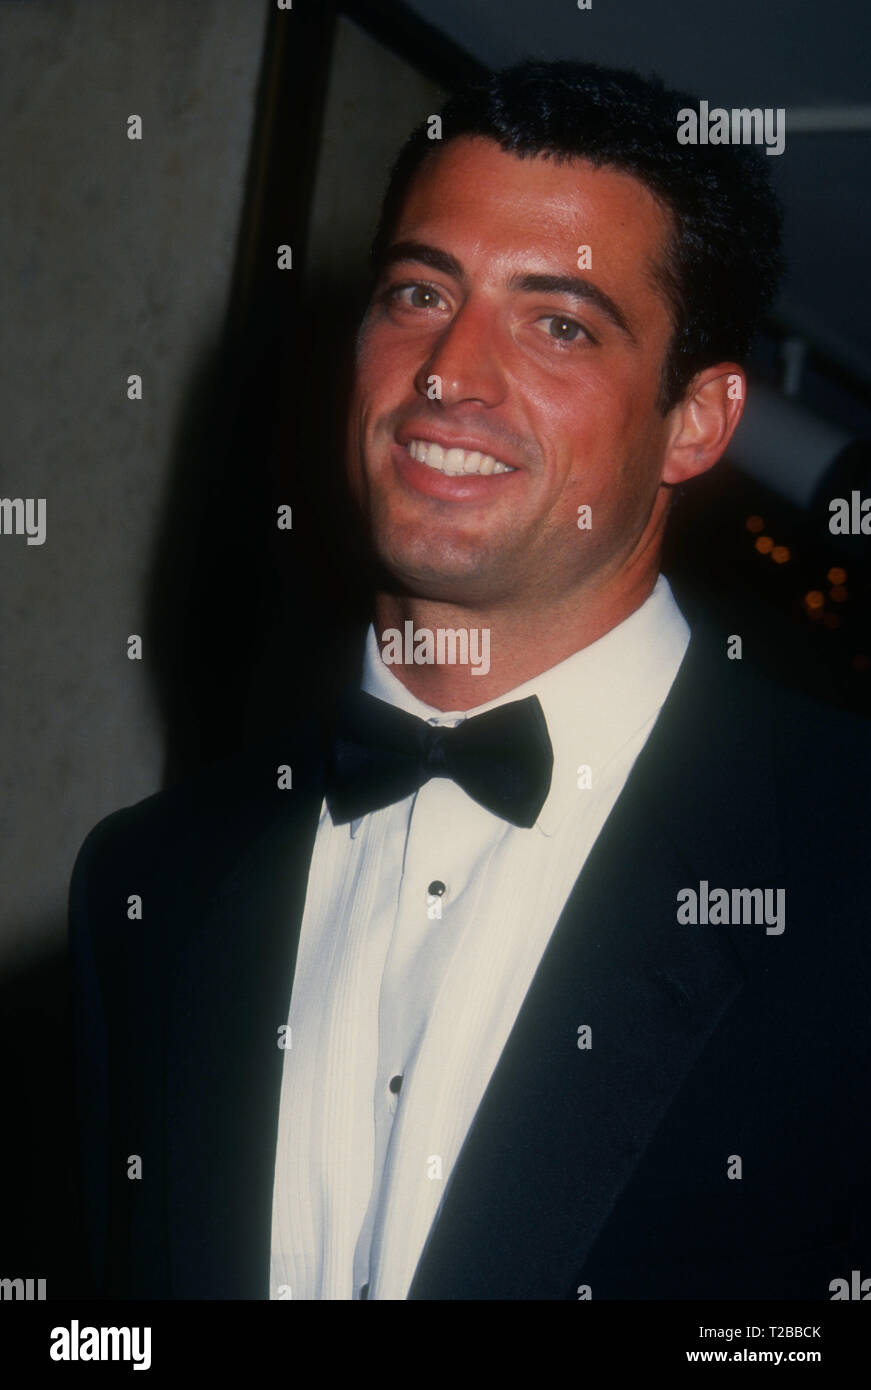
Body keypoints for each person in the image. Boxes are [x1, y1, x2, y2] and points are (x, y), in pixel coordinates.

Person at [69, 60, 870, 1301]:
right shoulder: (152, 882)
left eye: (558, 322)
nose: (449, 371)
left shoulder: (844, 858)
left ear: (697, 422)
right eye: (417, 293)